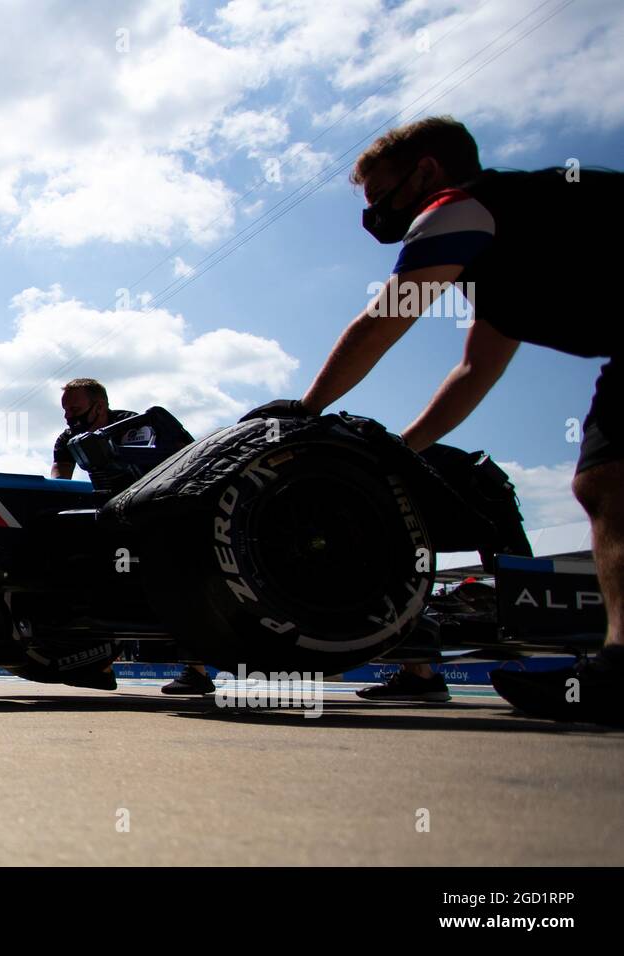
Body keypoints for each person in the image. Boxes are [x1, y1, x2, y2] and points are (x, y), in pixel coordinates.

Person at [241, 116, 622, 724]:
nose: (375, 215)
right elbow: (473, 370)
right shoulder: (506, 245)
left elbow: (391, 314)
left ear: (426, 171)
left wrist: (306, 409)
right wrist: (402, 449)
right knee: (606, 481)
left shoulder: (460, 205)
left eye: (380, 196)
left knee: (608, 482)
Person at [50, 377, 216, 696]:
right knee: (98, 580)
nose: (68, 415)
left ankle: (196, 670)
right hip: (105, 515)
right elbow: (61, 477)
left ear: (99, 406)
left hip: (151, 513)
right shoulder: (67, 437)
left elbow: (171, 464)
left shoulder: (134, 425)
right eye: (65, 409)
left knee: (168, 583)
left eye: (75, 407)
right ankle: (100, 666)